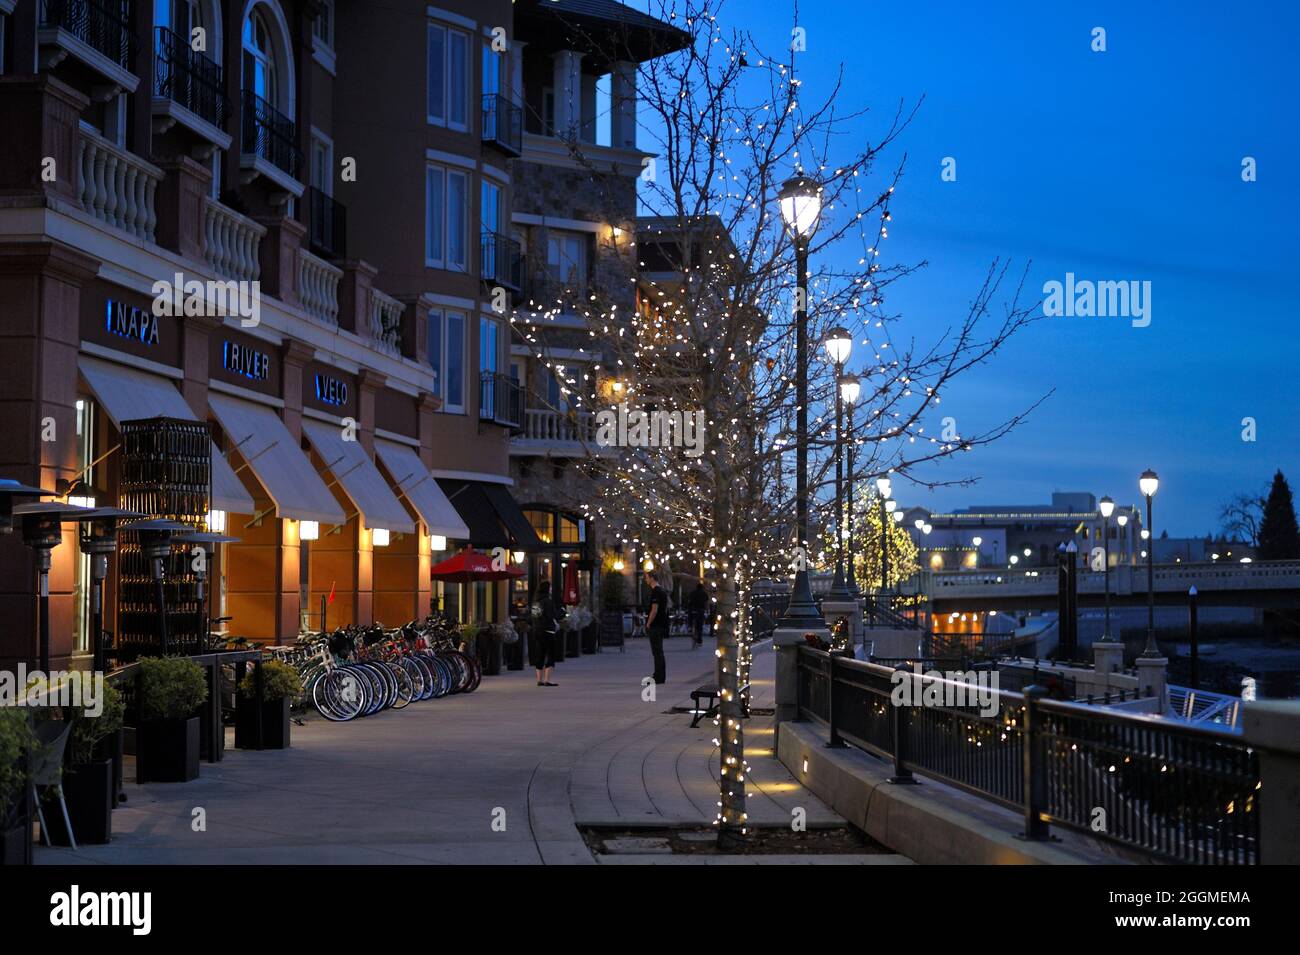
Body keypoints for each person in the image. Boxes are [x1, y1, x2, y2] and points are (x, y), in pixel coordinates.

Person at [530, 580, 565, 686]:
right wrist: (562, 612)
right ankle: (547, 680)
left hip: (537, 631)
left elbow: (533, 617)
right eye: (550, 588)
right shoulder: (548, 601)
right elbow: (552, 616)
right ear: (547, 589)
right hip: (548, 631)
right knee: (551, 654)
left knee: (540, 654)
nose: (551, 589)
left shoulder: (535, 602)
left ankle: (539, 680)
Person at [644, 570, 670, 684]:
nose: (646, 580)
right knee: (659, 651)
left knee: (657, 652)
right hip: (662, 624)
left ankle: (658, 676)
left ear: (652, 578)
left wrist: (648, 623)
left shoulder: (656, 592)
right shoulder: (662, 591)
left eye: (647, 577)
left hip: (656, 625)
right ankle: (661, 675)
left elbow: (654, 610)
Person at [687, 579, 709, 648]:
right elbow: (706, 602)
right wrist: (706, 609)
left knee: (690, 617)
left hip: (692, 609)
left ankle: (690, 627)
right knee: (700, 626)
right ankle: (699, 640)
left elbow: (689, 601)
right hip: (700, 610)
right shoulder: (704, 594)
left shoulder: (692, 593)